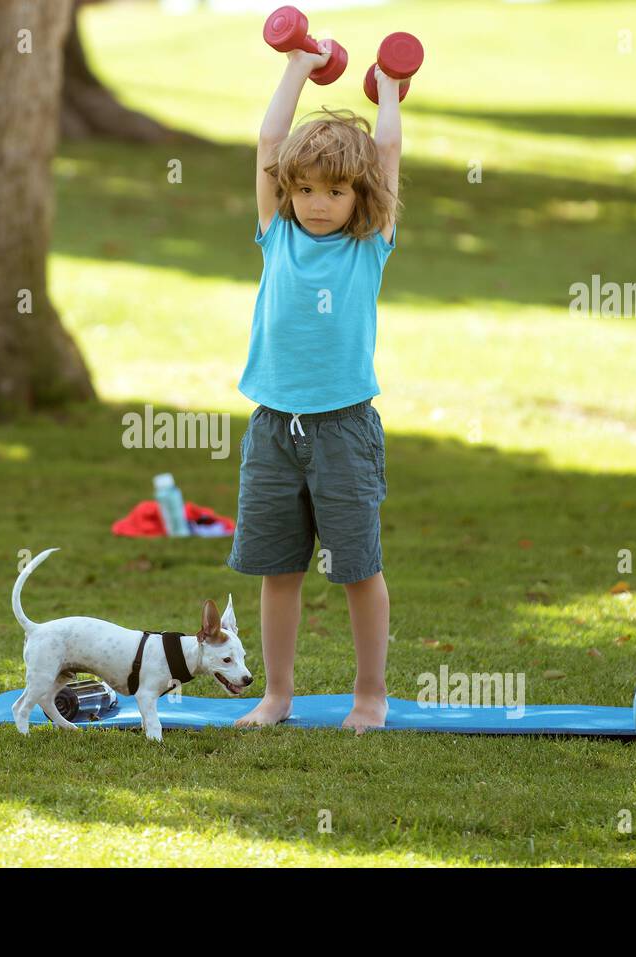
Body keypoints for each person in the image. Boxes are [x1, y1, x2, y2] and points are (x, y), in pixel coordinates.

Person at [226, 40, 403, 733]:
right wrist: (299, 66)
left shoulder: (369, 244)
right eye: (304, 190)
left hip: (344, 429)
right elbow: (272, 139)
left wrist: (388, 88)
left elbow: (386, 155)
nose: (317, 203)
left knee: (358, 568)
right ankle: (275, 695)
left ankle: (370, 696)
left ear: (361, 195)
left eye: (334, 191)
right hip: (273, 427)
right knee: (277, 569)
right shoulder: (276, 235)